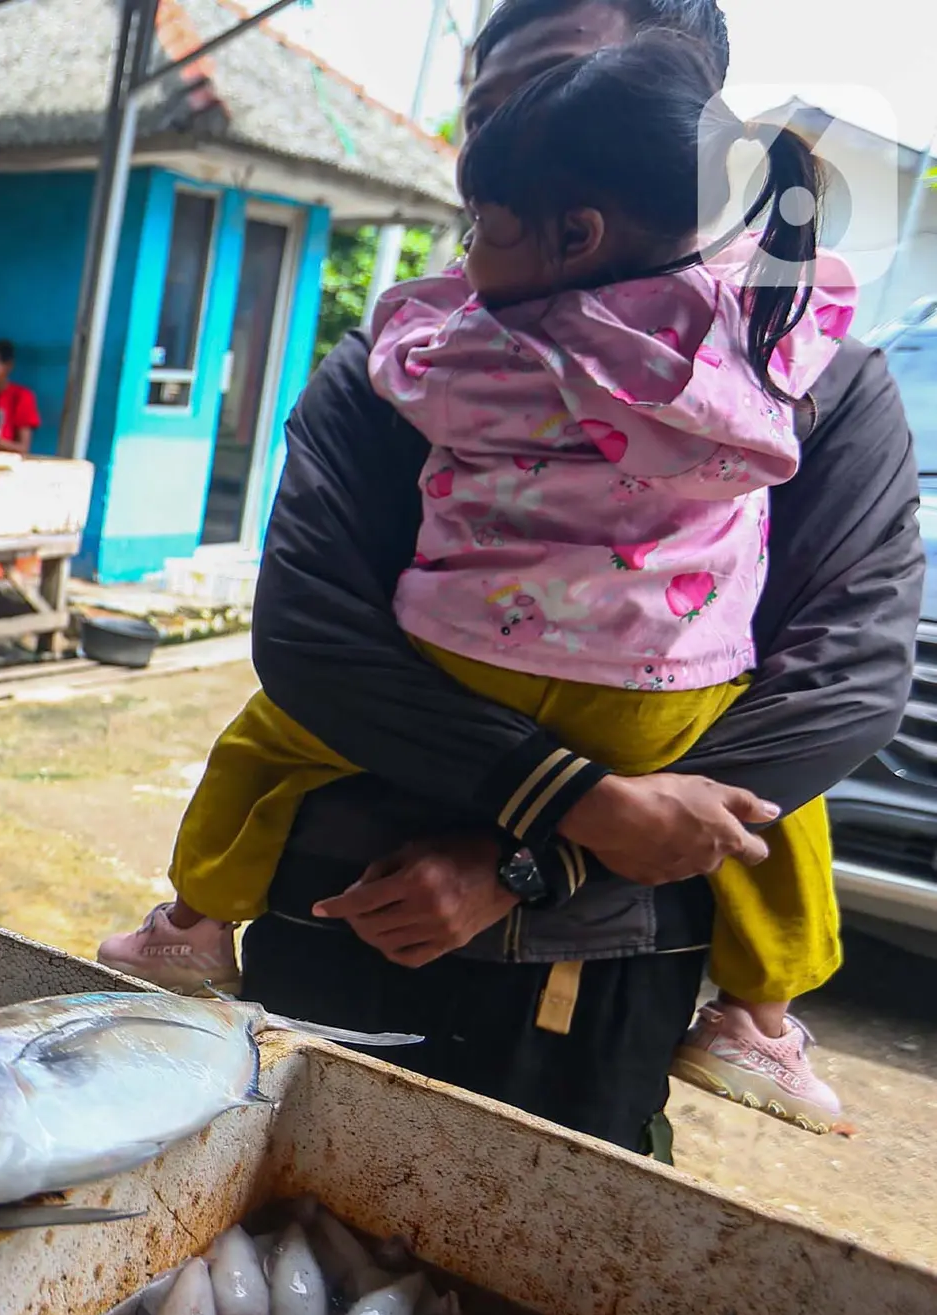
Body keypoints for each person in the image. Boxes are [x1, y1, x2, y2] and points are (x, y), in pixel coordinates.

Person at [113, 0, 921, 1155]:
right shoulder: (408, 355)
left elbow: (842, 684)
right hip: (338, 910)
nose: (498, 136)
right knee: (281, 1181)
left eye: (553, 91)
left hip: (605, 964)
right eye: (482, 108)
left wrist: (533, 855)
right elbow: (306, 637)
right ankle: (764, 1016)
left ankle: (190, 918)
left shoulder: (820, 382)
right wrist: (578, 803)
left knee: (550, 1237)